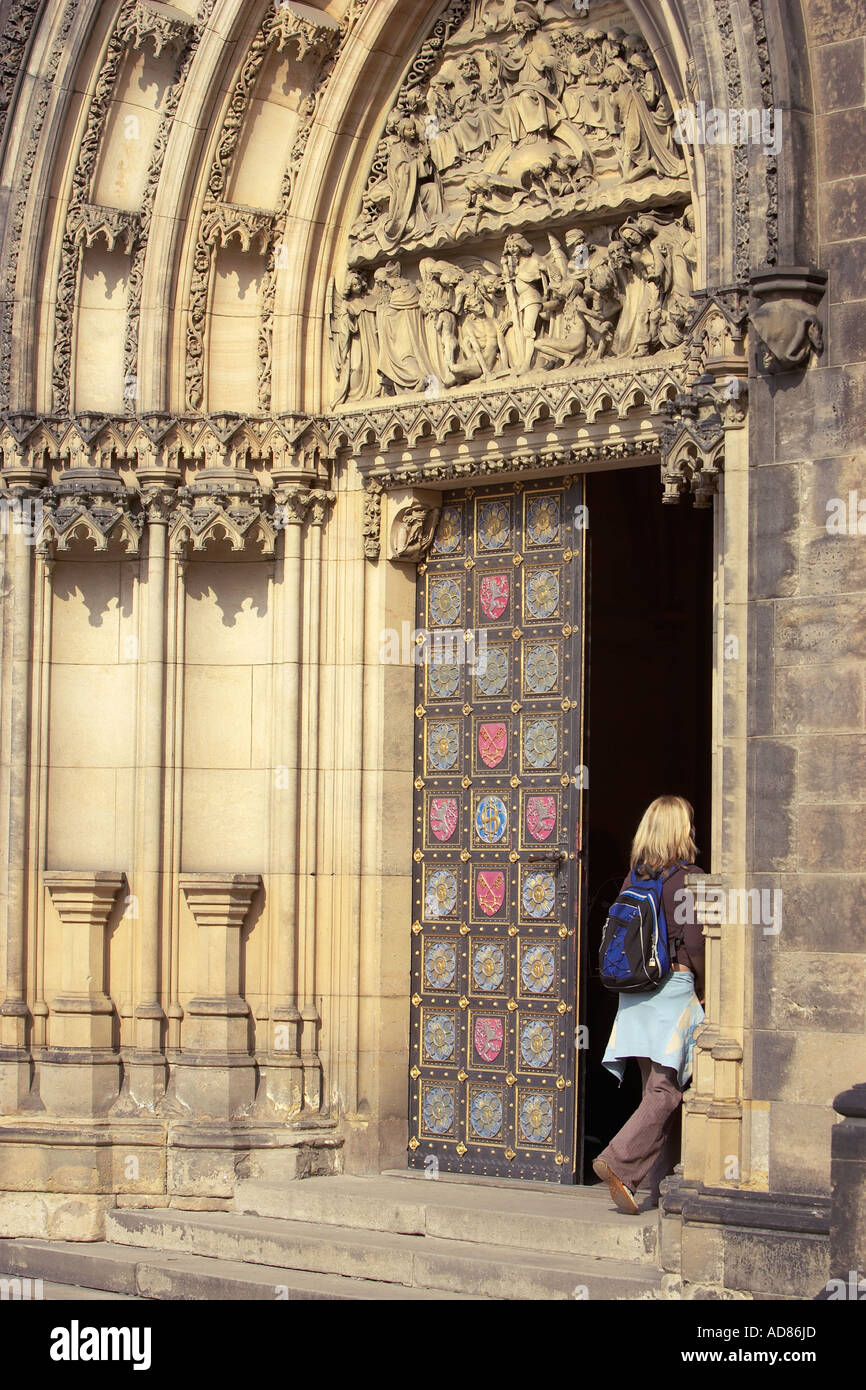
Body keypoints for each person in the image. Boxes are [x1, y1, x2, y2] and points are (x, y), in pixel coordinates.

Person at [593, 795, 706, 1214]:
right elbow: (694, 943)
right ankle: (618, 1160)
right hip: (671, 988)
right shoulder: (687, 880)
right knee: (666, 1091)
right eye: (690, 823)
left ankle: (658, 1186)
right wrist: (707, 984)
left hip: (634, 992)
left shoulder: (633, 878)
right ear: (682, 830)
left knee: (653, 1089)